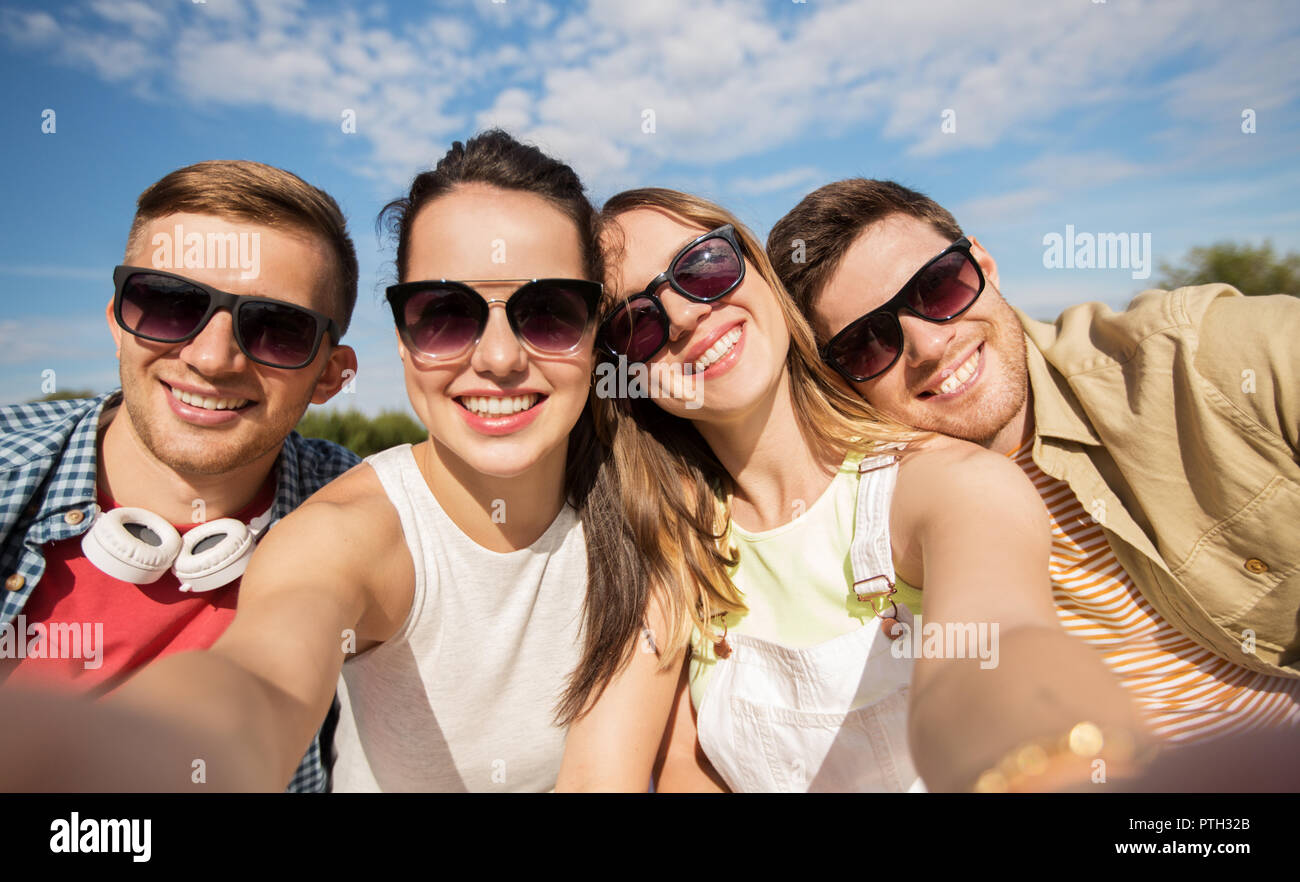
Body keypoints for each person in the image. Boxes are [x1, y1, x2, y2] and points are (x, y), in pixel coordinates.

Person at [2, 130, 679, 792]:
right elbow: (263, 678)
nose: (212, 358)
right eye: (446, 313)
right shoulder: (350, 523)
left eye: (550, 312)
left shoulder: (655, 506)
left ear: (333, 373)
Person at [592, 188, 1149, 793]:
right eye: (636, 321)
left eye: (703, 267)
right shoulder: (673, 548)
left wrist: (1040, 753)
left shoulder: (946, 484)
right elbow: (675, 772)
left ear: (755, 266)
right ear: (628, 375)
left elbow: (995, 649)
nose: (682, 317)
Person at [767, 178, 1300, 744]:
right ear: (839, 381)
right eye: (867, 343)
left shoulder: (1197, 357)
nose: (928, 346)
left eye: (936, 289)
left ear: (985, 267)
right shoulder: (861, 518)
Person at [0, 160, 361, 792]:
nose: (211, 358)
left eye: (276, 328)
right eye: (170, 304)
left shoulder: (367, 511)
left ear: (330, 374)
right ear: (117, 318)